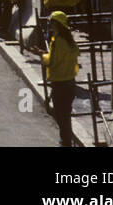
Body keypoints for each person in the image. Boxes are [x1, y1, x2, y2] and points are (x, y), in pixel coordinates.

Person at [27, 11, 79, 146]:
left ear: (58, 24)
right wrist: (44, 53)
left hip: (60, 83)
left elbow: (52, 61)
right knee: (65, 114)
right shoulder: (69, 40)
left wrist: (41, 55)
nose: (50, 24)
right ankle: (66, 140)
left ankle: (66, 141)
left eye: (52, 22)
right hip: (70, 82)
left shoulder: (58, 41)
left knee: (61, 115)